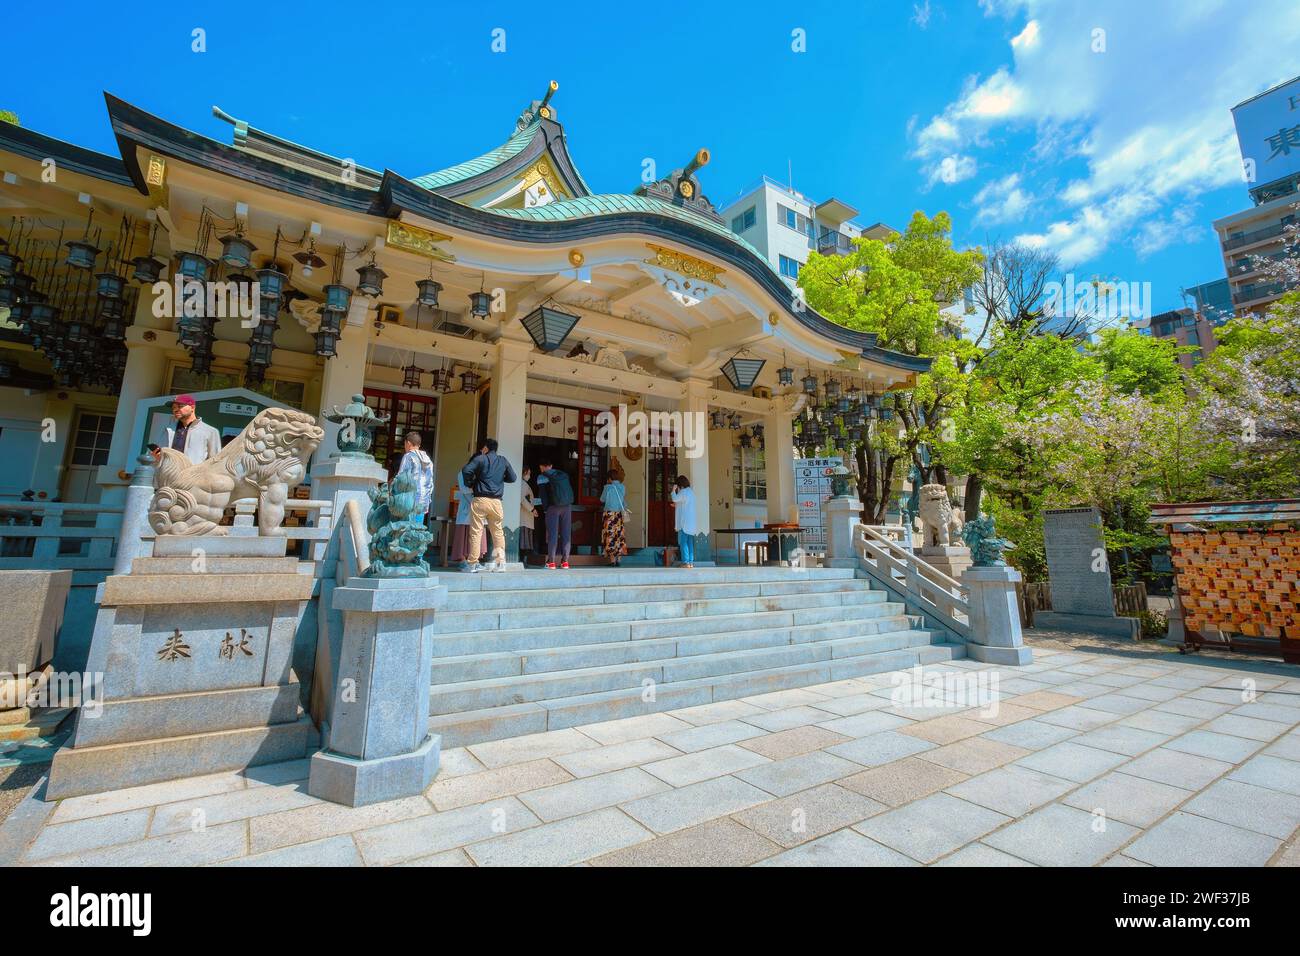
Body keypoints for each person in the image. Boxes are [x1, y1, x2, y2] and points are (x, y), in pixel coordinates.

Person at [460, 438, 516, 573]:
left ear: (485, 448)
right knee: (497, 532)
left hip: (480, 499)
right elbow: (513, 478)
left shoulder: (481, 459)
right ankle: (500, 563)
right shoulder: (503, 460)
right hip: (497, 502)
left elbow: (466, 470)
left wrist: (471, 483)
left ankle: (473, 563)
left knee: (476, 531)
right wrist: (500, 478)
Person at [152, 394, 221, 466]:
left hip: (192, 476)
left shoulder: (210, 432)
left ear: (192, 407)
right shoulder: (168, 429)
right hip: (167, 475)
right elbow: (158, 458)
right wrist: (157, 457)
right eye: (173, 408)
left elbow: (215, 462)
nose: (175, 410)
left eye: (180, 406)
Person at [537, 459, 574, 569]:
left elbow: (543, 495)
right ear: (551, 465)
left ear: (542, 467)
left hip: (553, 507)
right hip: (567, 506)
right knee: (566, 534)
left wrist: (545, 509)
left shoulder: (542, 476)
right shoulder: (561, 474)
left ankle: (551, 562)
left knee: (552, 534)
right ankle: (565, 562)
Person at [396, 430, 435, 521]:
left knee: (406, 529)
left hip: (409, 500)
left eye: (405, 444)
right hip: (423, 500)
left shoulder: (408, 456)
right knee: (417, 528)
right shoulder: (428, 459)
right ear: (419, 445)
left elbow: (400, 477)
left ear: (408, 443)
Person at [450, 468, 486, 564]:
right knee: (464, 533)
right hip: (467, 506)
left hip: (478, 506)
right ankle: (462, 559)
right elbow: (464, 489)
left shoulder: (482, 471)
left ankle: (475, 559)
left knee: (477, 532)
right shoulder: (462, 473)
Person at [599, 470, 629, 567]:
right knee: (619, 536)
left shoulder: (607, 487)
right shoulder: (622, 487)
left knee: (610, 536)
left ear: (609, 478)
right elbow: (623, 499)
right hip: (620, 514)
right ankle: (619, 560)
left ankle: (612, 561)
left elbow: (602, 499)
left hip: (610, 515)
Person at [670, 474, 697, 569]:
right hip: (691, 523)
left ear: (679, 485)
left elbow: (674, 498)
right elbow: (684, 504)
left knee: (683, 542)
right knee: (690, 543)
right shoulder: (691, 492)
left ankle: (685, 562)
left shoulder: (683, 492)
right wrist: (676, 505)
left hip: (684, 523)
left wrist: (673, 490)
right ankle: (690, 562)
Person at [519, 467, 539, 557]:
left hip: (526, 514)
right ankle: (523, 560)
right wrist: (532, 509)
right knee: (524, 539)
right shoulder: (523, 484)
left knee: (526, 538)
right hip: (525, 515)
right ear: (524, 473)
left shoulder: (523, 484)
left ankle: (524, 559)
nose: (529, 476)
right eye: (528, 474)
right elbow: (522, 499)